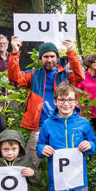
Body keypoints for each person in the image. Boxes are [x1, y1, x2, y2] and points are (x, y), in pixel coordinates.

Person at [8, 37, 84, 168]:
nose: (49, 59)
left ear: (57, 57)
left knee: (65, 161)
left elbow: (79, 76)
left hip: (62, 123)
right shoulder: (34, 75)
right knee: (30, 162)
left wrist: (71, 51)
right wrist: (15, 52)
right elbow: (15, 77)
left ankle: (63, 187)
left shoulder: (65, 75)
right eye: (45, 56)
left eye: (52, 56)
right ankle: (27, 186)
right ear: (41, 58)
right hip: (40, 125)